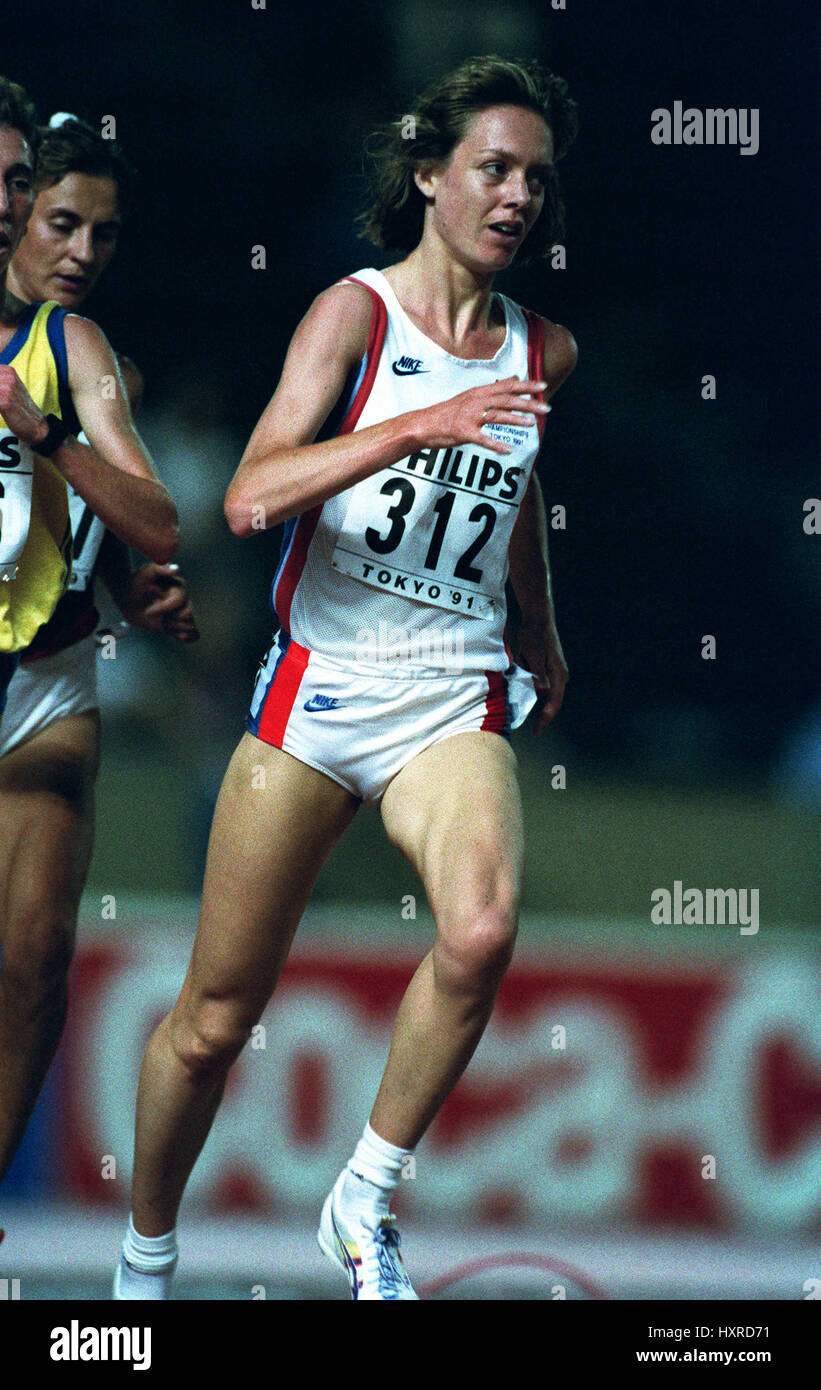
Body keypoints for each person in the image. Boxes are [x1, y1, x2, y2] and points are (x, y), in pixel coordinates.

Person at [116, 54, 578, 1301]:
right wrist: (403, 428)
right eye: (492, 167)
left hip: (451, 691)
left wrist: (536, 629)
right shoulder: (353, 314)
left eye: (535, 177)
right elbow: (251, 495)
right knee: (212, 1022)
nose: (517, 195)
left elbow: (515, 485)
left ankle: (363, 1196)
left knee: (479, 930)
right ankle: (142, 1267)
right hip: (320, 688)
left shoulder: (544, 348)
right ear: (429, 176)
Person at [0, 84, 182, 1192]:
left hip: (44, 681)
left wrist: (50, 434)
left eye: (102, 233)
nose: (80, 251)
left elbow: (155, 518)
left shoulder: (73, 346)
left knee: (33, 961)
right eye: (58, 221)